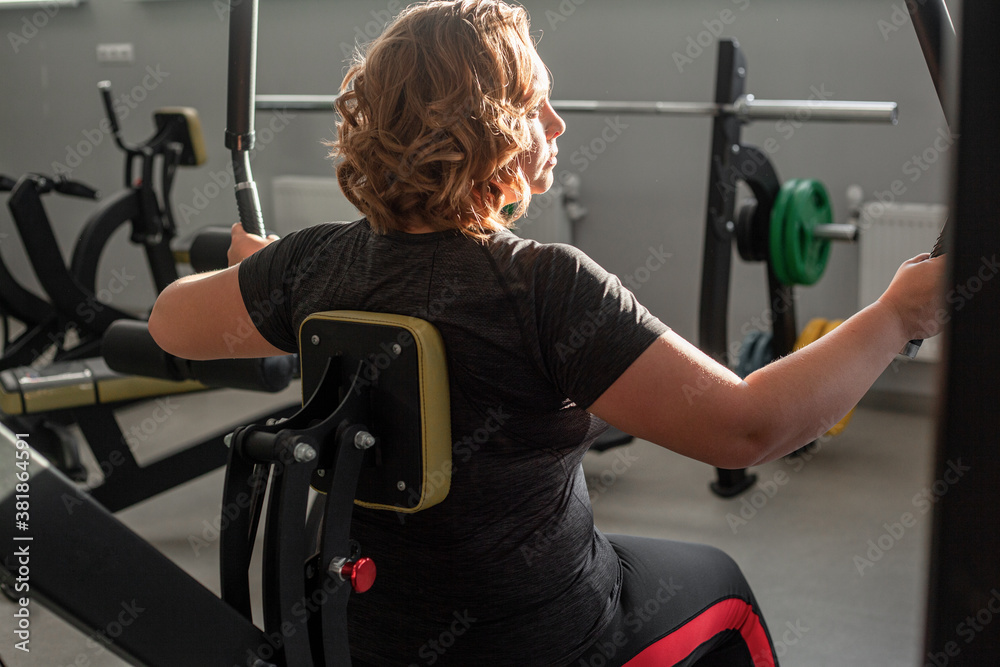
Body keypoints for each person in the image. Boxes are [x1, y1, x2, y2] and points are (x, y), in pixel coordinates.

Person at [148, 1, 945, 664]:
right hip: (542, 639)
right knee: (722, 585)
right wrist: (896, 315)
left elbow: (170, 321)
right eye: (537, 107)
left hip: (364, 639)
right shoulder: (543, 286)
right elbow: (749, 427)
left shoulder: (312, 265)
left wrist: (260, 274)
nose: (559, 123)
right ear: (484, 129)